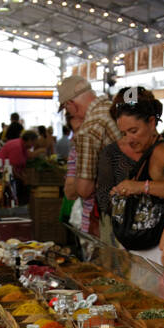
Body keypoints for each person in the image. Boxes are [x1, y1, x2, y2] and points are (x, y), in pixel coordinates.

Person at [107, 88, 164, 262]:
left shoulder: (163, 152)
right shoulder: (151, 150)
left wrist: (140, 186)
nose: (129, 139)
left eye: (133, 131)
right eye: (124, 133)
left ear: (151, 122)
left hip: (158, 252)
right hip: (149, 251)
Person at [58, 75, 122, 236]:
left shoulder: (89, 130)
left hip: (107, 216)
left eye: (66, 107)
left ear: (71, 104)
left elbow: (85, 189)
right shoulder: (112, 109)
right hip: (127, 211)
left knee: (105, 260)